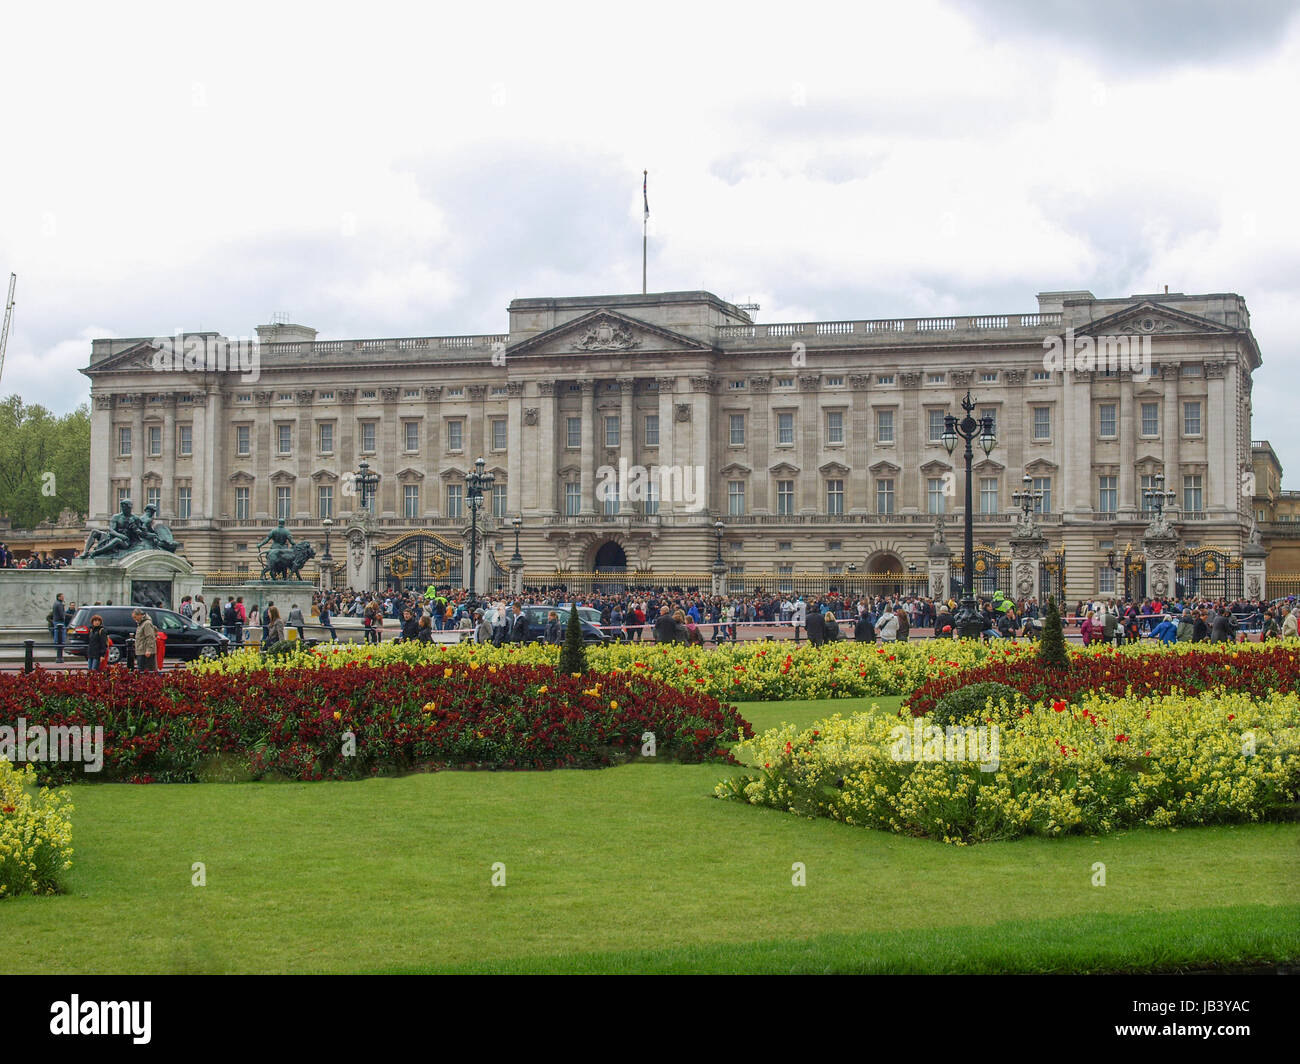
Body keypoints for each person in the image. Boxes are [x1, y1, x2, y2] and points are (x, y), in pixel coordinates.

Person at [52, 593, 68, 663]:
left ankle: (57, 645)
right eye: (62, 597)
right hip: (60, 621)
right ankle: (60, 646)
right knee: (61, 634)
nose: (63, 598)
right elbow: (62, 613)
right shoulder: (59, 604)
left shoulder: (55, 603)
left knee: (56, 633)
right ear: (58, 597)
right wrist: (64, 618)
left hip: (56, 620)